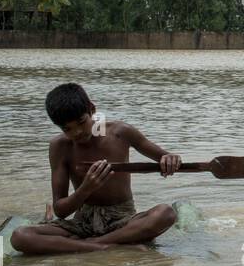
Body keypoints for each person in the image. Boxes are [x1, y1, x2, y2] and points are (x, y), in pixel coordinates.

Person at [10, 83, 182, 255]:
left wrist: (170, 159)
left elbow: (165, 158)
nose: (77, 132)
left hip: (122, 220)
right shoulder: (59, 146)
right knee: (20, 236)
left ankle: (92, 244)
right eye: (67, 129)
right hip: (83, 223)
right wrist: (85, 189)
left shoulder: (120, 132)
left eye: (81, 122)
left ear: (92, 109)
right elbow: (60, 210)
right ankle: (106, 246)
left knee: (165, 213)